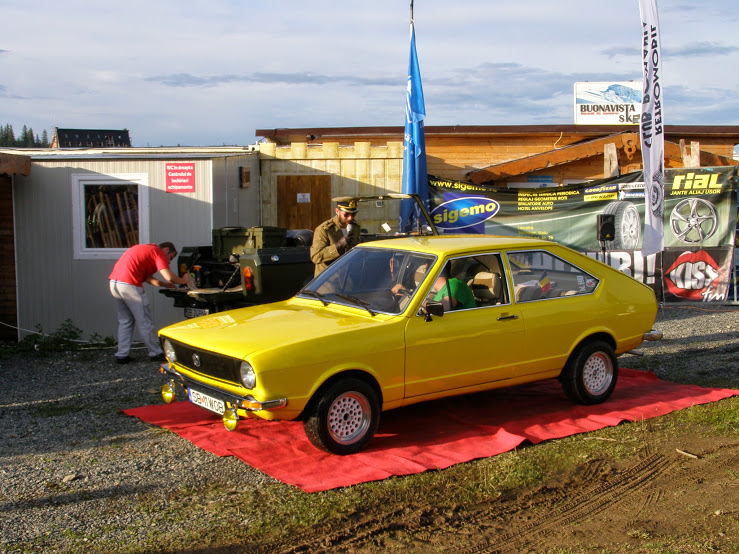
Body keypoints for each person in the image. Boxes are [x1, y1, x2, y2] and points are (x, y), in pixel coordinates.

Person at [109, 242, 190, 364]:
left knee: (125, 321)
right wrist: (183, 280)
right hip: (130, 285)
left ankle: (122, 355)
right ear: (167, 250)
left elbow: (146, 277)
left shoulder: (143, 249)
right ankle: (156, 353)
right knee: (145, 321)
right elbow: (169, 276)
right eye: (170, 258)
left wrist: (163, 284)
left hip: (115, 283)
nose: (168, 262)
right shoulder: (157, 252)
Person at [310, 199, 361, 276]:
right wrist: (338, 246)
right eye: (346, 214)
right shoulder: (324, 230)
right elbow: (316, 257)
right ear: (337, 211)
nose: (350, 218)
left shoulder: (355, 227)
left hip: (349, 279)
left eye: (353, 214)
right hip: (328, 280)